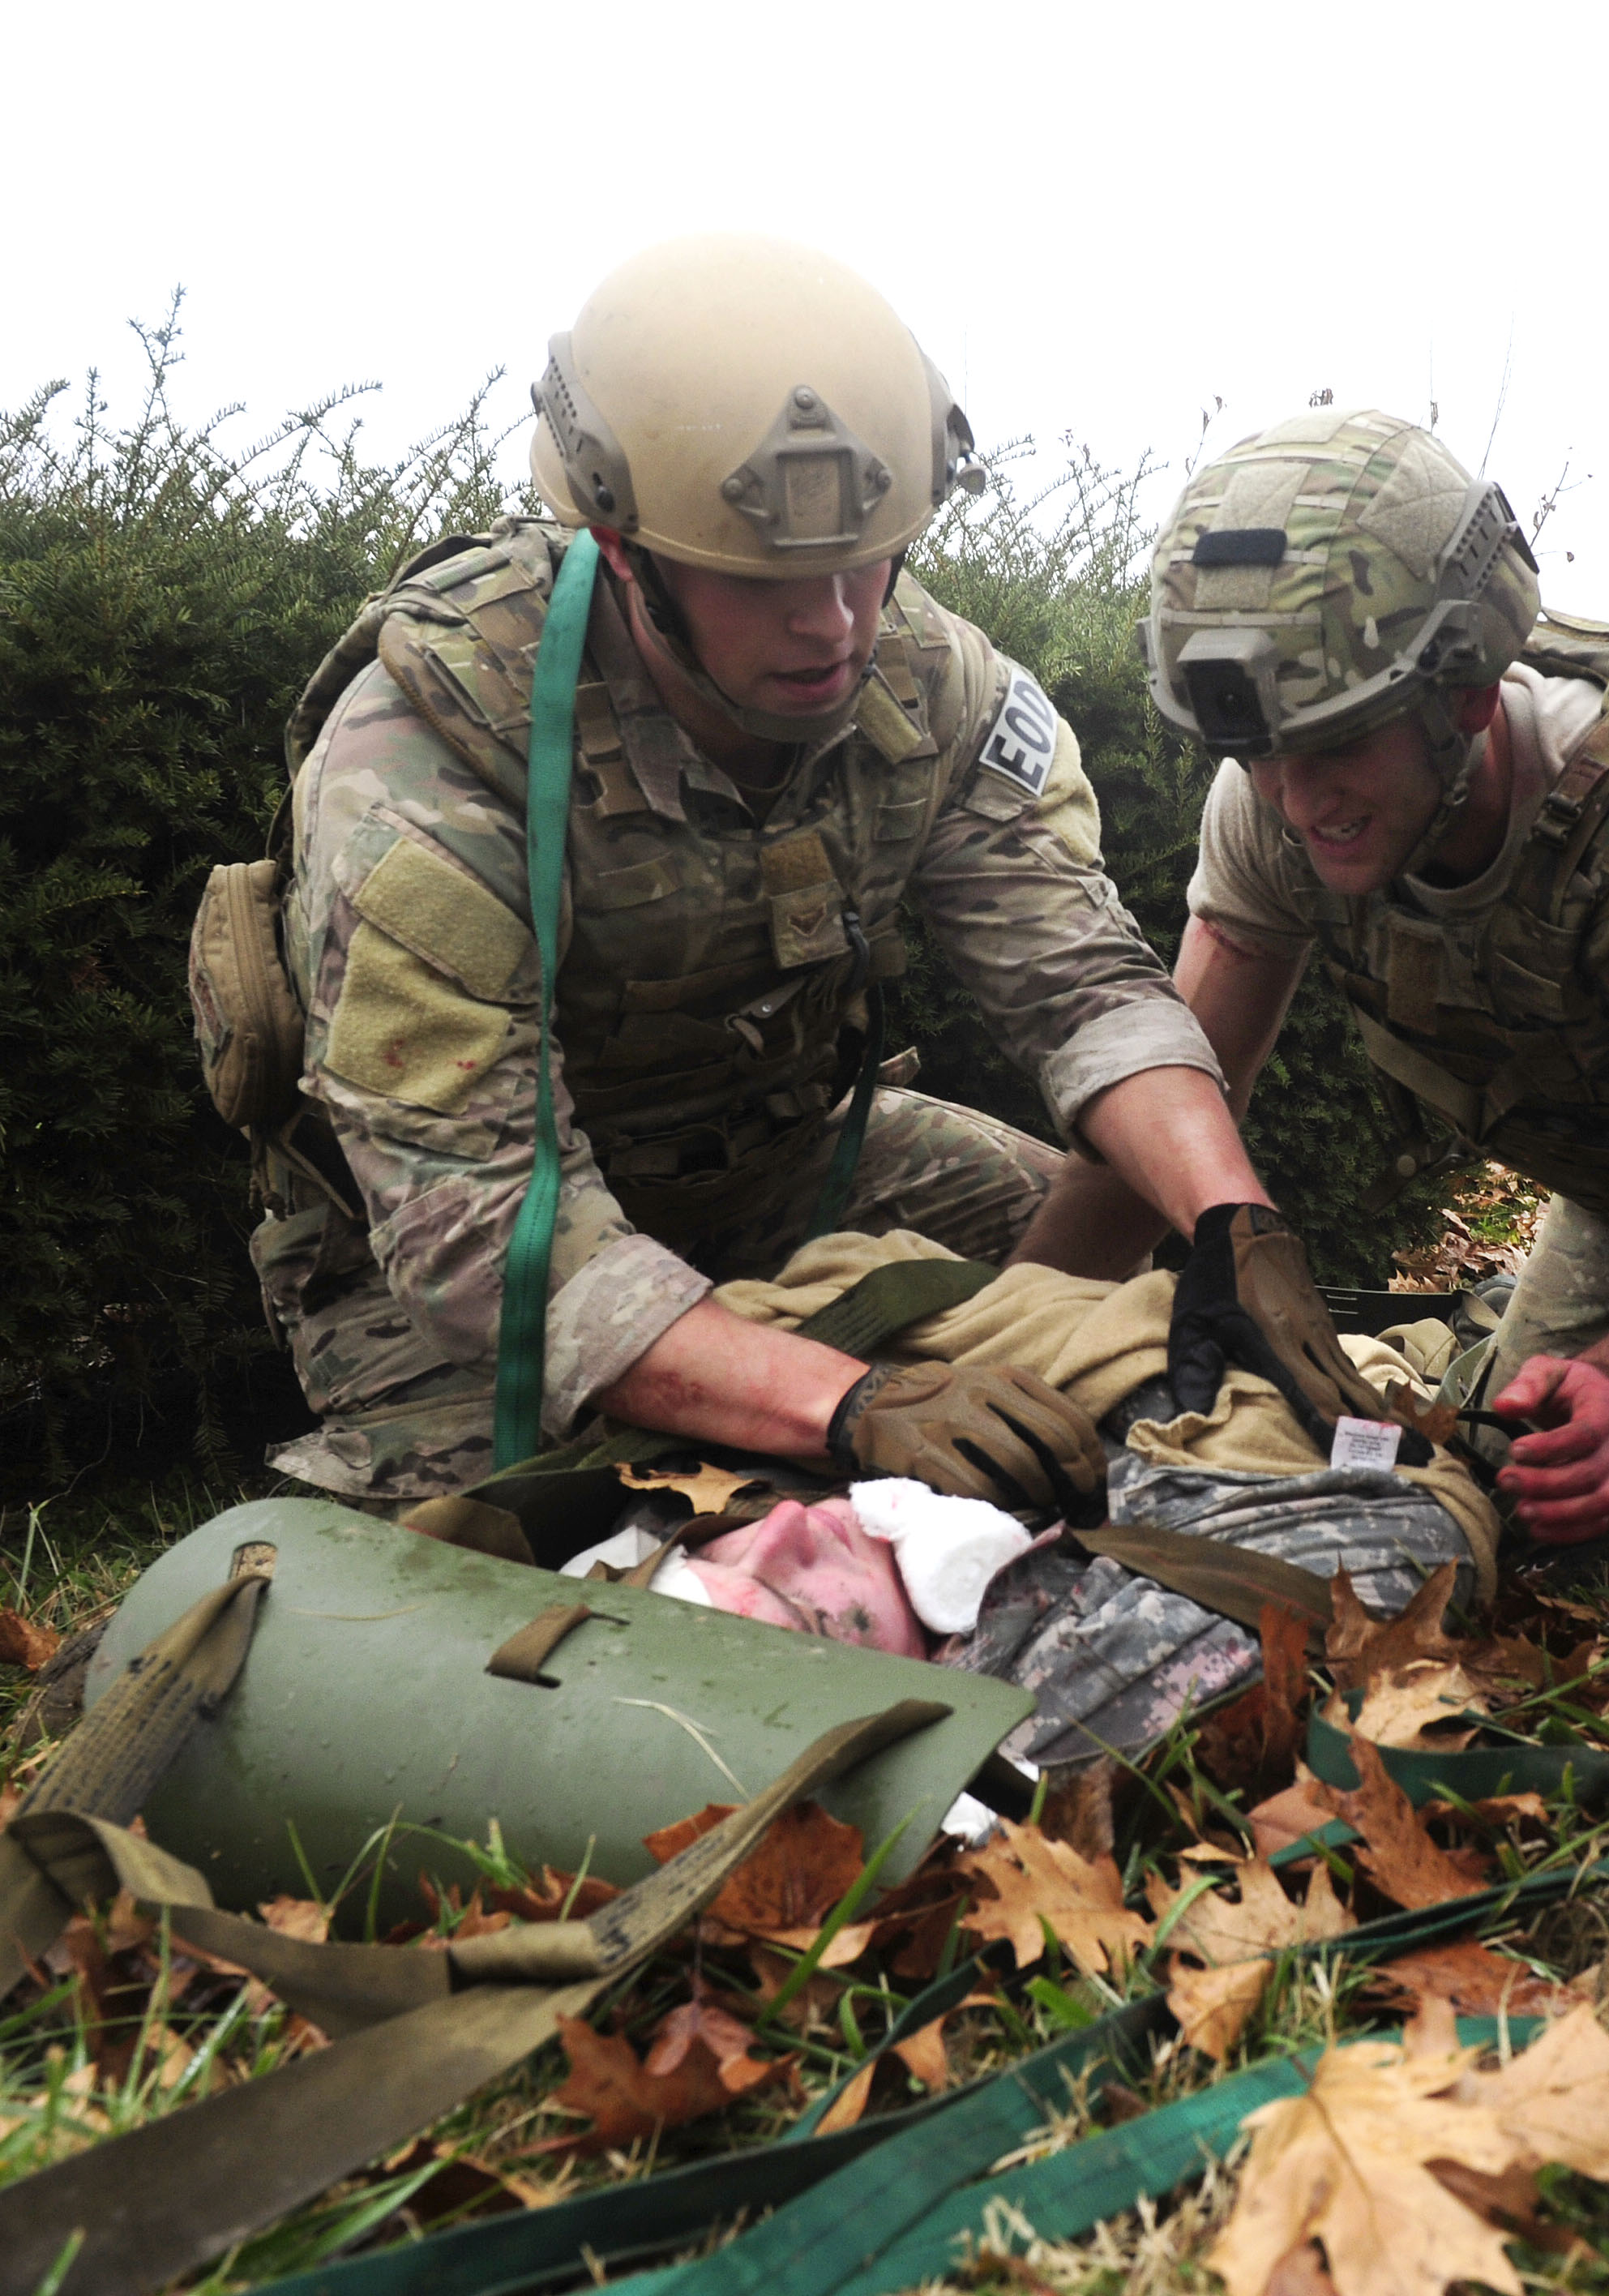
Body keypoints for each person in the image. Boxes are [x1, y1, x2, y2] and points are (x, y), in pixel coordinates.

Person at [245, 233, 1315, 1513]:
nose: (834, 626)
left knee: (1137, 1328)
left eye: (865, 566)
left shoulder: (935, 688)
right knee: (594, 1526)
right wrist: (846, 1407)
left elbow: (1085, 991)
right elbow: (475, 1218)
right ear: (620, 545)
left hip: (788, 1167)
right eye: (767, 583)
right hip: (470, 1249)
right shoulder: (428, 748)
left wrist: (1231, 1224)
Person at [1012, 407, 1609, 1544]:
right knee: (1506, 1505)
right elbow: (1167, 1111)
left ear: (1467, 698)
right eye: (1256, 751)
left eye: (1334, 743)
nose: (1293, 800)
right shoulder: (1271, 815)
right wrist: (1008, 1345)